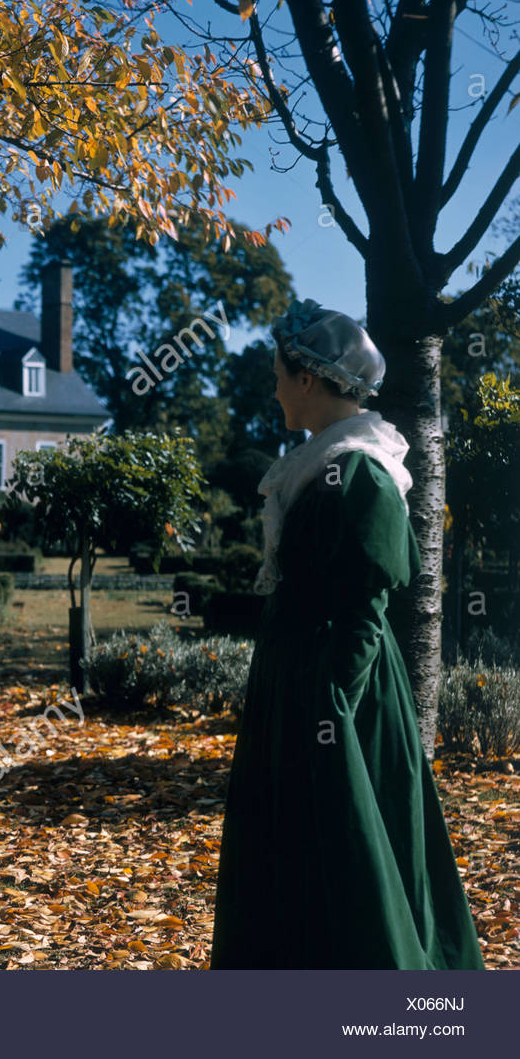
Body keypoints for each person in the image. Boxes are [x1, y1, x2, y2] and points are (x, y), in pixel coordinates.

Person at [210, 300, 484, 969]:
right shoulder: (319, 463)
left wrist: (329, 709)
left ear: (308, 378)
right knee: (298, 858)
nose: (272, 386)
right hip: (304, 680)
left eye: (278, 373)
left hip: (339, 691)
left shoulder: (358, 469)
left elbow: (365, 608)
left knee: (348, 853)